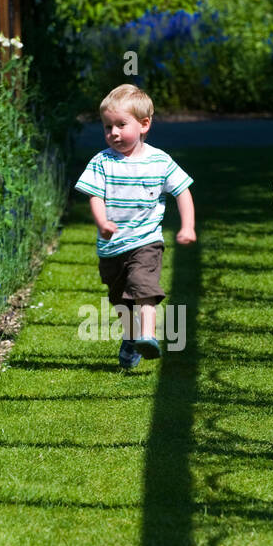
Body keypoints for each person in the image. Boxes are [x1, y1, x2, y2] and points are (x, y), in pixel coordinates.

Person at [75, 84, 196, 369]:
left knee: (144, 286)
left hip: (146, 241)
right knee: (120, 300)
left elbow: (183, 191)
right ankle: (131, 338)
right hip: (111, 247)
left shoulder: (160, 161)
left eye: (120, 125)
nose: (113, 133)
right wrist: (102, 222)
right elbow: (95, 195)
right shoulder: (101, 162)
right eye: (107, 127)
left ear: (144, 124)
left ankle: (148, 335)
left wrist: (187, 226)